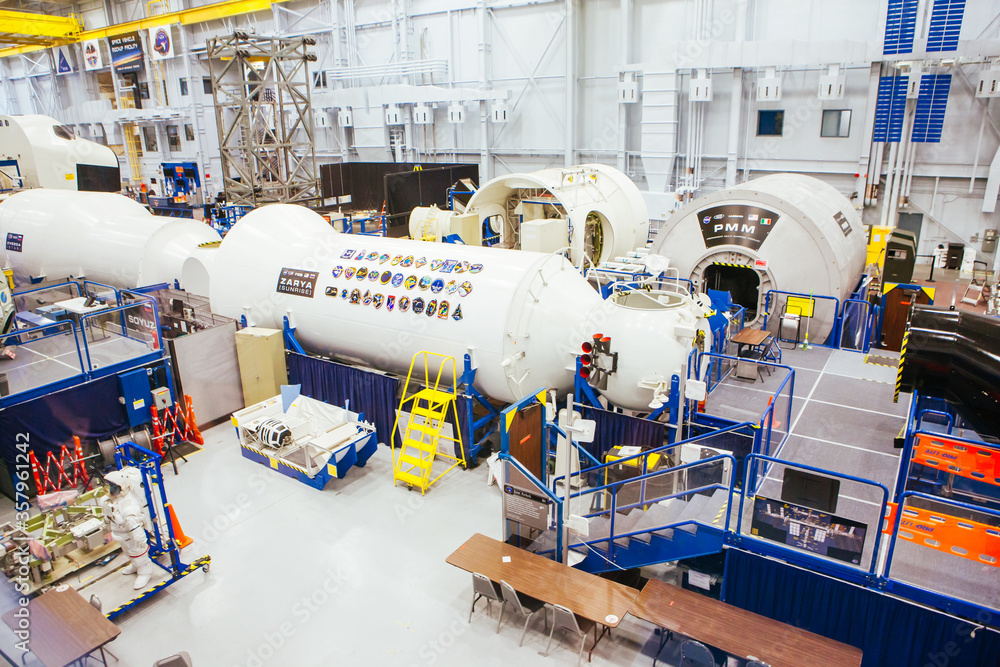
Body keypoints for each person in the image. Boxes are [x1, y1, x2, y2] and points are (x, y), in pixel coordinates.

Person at [99, 467, 154, 590]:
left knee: (137, 553)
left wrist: (140, 540)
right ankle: (135, 565)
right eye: (108, 487)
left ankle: (145, 571)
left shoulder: (129, 506)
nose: (109, 490)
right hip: (119, 533)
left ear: (122, 489)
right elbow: (107, 515)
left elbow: (134, 526)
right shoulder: (108, 500)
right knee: (127, 552)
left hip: (130, 535)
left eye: (113, 488)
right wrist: (107, 525)